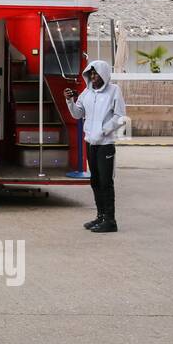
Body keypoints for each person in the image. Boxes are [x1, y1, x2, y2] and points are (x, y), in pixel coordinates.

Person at [64, 60, 126, 233]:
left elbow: (120, 116)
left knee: (106, 182)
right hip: (90, 143)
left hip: (105, 144)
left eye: (96, 74)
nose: (93, 77)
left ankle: (110, 221)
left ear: (104, 74)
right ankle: (100, 216)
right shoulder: (87, 92)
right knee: (95, 181)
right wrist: (70, 101)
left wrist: (103, 131)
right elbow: (78, 114)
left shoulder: (114, 91)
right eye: (91, 74)